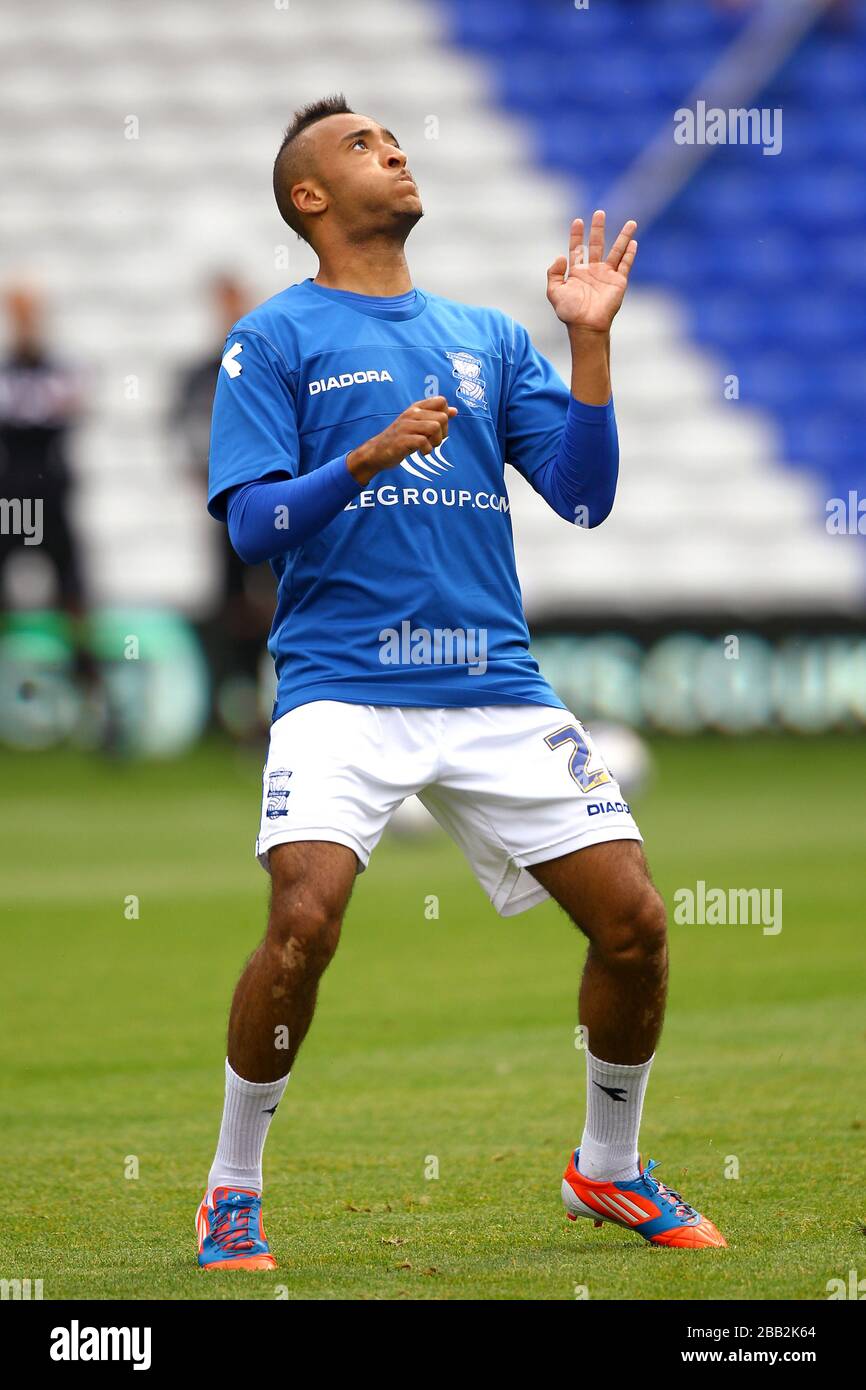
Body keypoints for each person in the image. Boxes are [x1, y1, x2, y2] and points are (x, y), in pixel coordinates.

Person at [197, 94, 725, 1271]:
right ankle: (230, 1190)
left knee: (634, 923)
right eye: (360, 145)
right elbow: (251, 526)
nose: (392, 148)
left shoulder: (484, 336)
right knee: (302, 923)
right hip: (341, 685)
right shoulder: (273, 341)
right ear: (310, 199)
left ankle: (607, 1167)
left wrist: (588, 342)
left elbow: (582, 496)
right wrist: (363, 458)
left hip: (494, 687)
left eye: (394, 136)